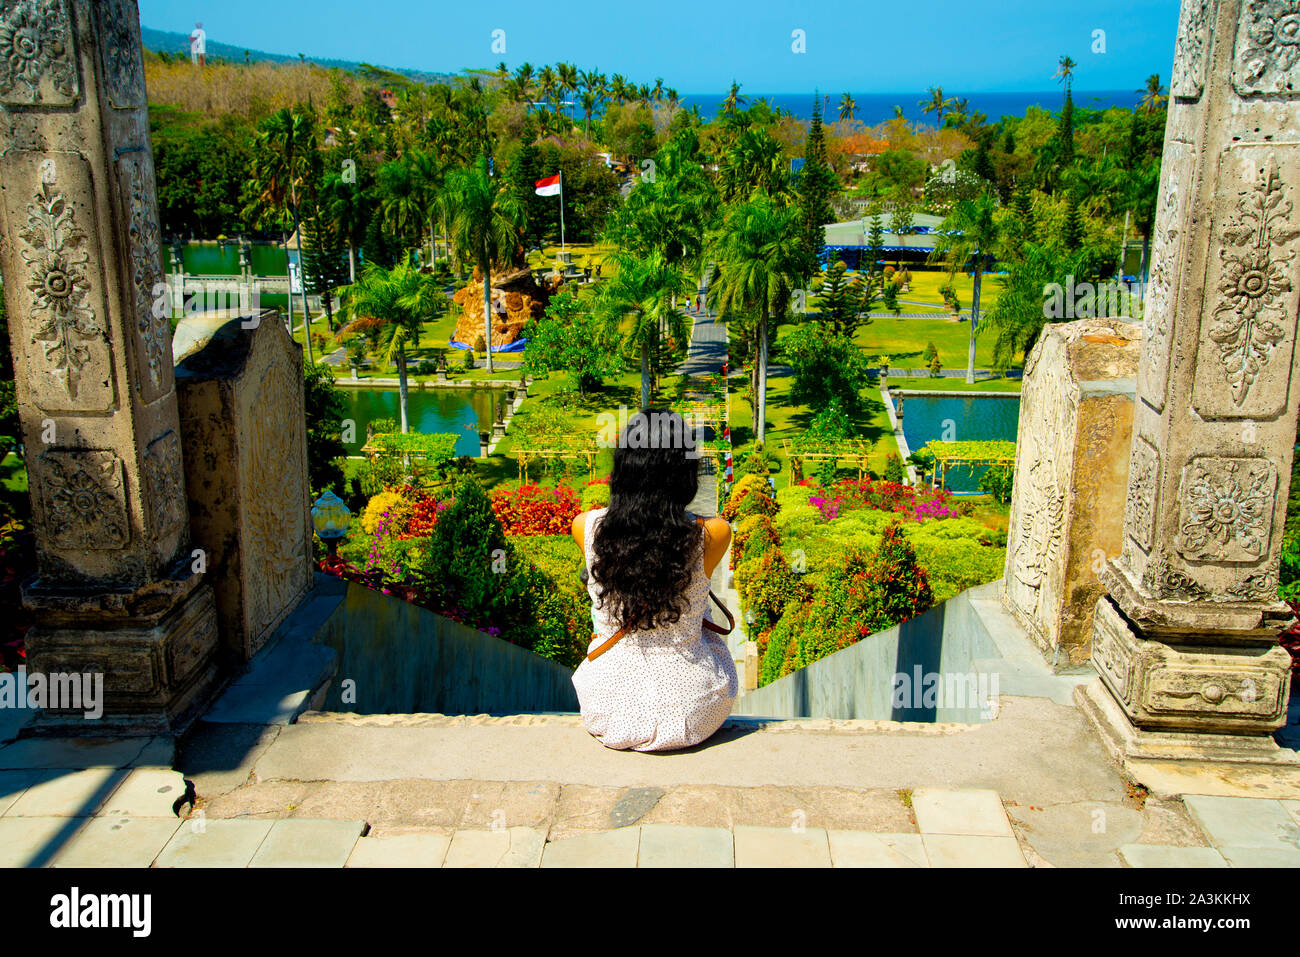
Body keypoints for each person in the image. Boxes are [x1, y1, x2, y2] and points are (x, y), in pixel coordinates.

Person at [570, 410, 737, 752]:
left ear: (624, 468)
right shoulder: (713, 533)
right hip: (694, 708)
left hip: (607, 708)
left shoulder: (585, 526)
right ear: (684, 474)